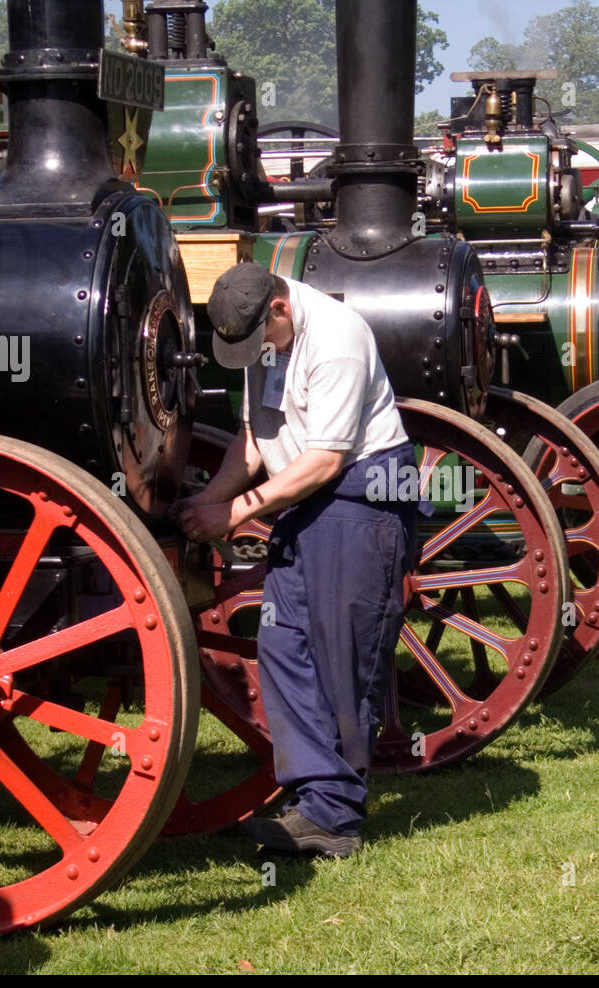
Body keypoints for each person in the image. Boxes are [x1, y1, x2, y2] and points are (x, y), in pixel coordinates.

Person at [172, 262, 417, 858]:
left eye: (260, 343)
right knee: (283, 647)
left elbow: (325, 461)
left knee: (345, 656)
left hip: (360, 496)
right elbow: (254, 441)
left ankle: (335, 817)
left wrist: (231, 517)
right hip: (306, 501)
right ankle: (315, 800)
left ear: (278, 309)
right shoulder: (267, 336)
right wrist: (210, 497)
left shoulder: (338, 338)